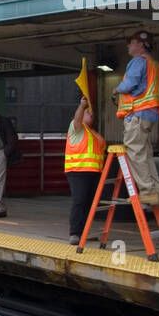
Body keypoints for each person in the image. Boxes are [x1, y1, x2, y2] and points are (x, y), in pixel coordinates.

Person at [113, 30, 159, 205]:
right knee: (144, 154)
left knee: (135, 153)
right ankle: (157, 192)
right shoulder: (153, 64)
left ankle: (146, 191)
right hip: (148, 114)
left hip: (137, 114)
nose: (128, 46)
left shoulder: (138, 61)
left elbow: (130, 84)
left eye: (131, 43)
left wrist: (116, 89)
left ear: (140, 45)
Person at [65, 96, 105, 244]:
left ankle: (83, 231)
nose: (91, 114)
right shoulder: (76, 128)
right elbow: (77, 120)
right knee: (79, 201)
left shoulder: (92, 132)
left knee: (89, 203)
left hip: (94, 172)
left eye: (91, 112)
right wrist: (82, 106)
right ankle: (74, 232)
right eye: (88, 112)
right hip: (78, 171)